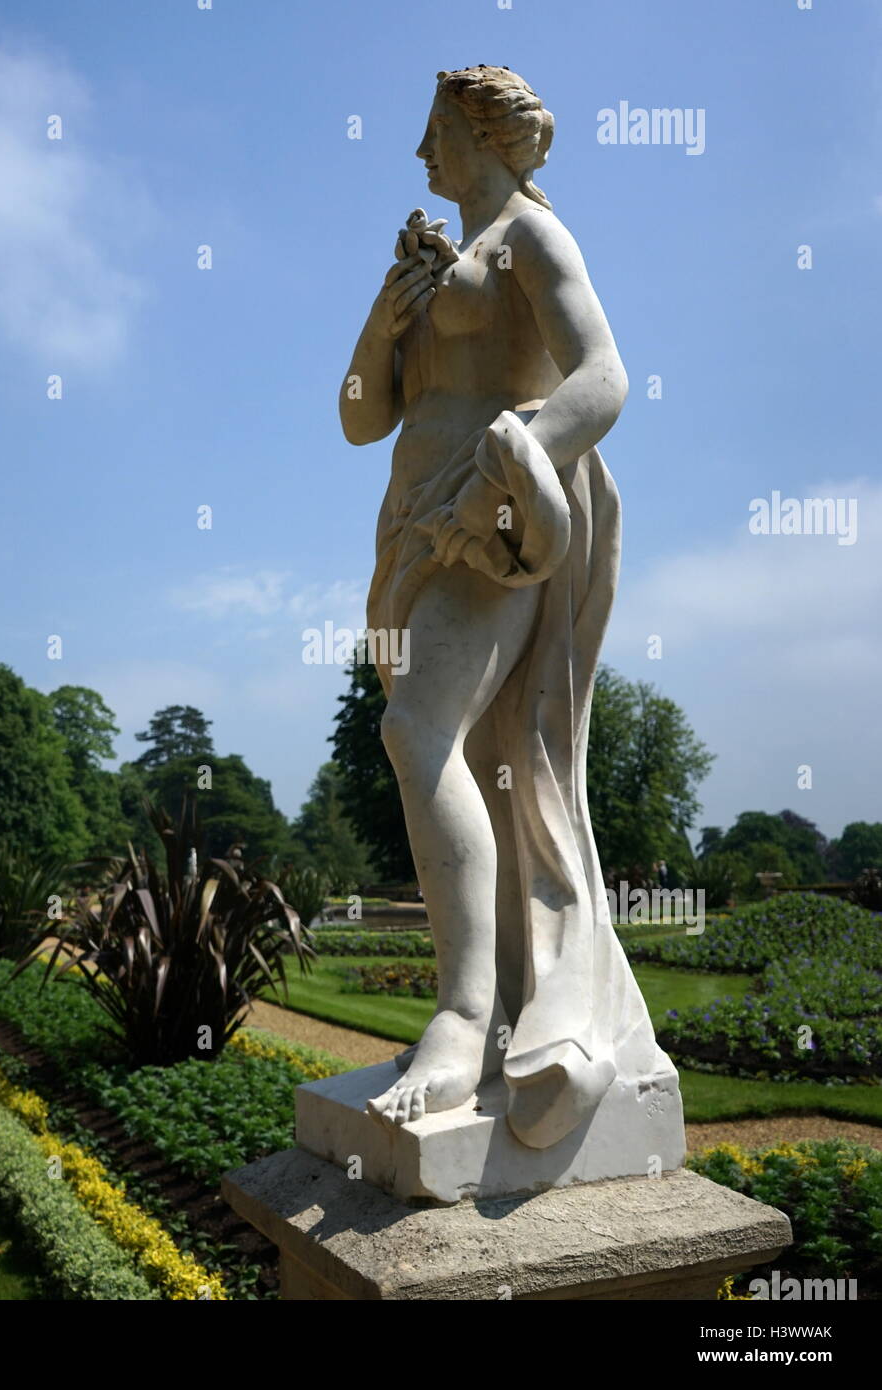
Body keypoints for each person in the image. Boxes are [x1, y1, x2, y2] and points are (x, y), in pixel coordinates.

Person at [339, 67, 660, 1147]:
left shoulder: (530, 241)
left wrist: (505, 470)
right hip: (404, 535)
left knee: (416, 731)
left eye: (433, 130)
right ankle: (505, 1003)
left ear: (480, 135)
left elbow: (604, 377)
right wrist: (384, 327)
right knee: (463, 761)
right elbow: (357, 419)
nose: (420, 154)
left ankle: (462, 1017)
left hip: (484, 527)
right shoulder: (433, 267)